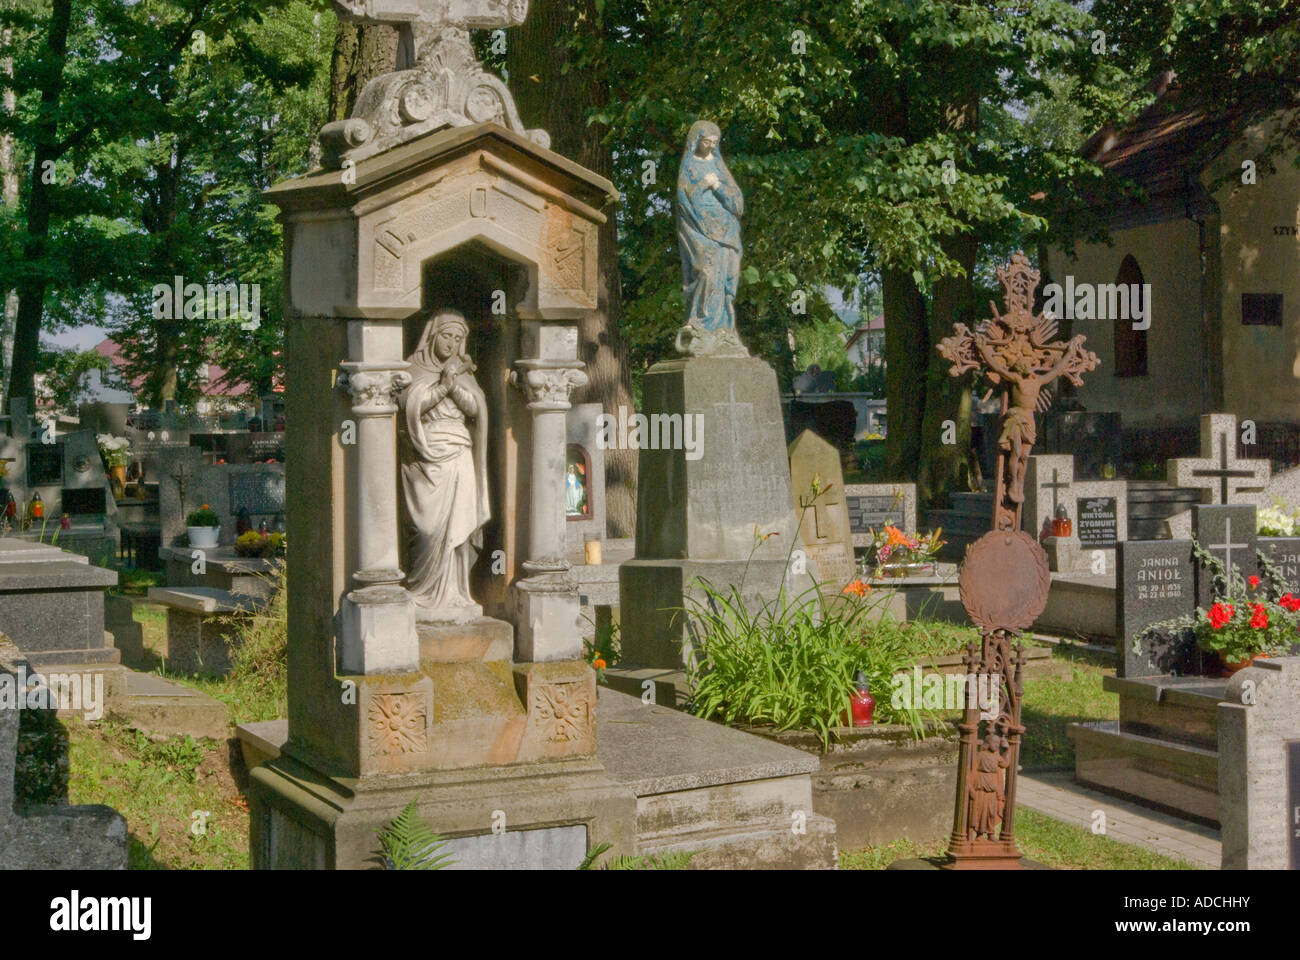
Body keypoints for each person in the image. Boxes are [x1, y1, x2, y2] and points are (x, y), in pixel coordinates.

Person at [399, 309, 491, 622]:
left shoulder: (463, 372)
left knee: (461, 529)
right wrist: (441, 386)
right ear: (433, 336)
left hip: (460, 453)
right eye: (446, 336)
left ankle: (458, 594)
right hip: (425, 455)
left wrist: (454, 384)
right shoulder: (413, 368)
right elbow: (410, 406)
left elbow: (476, 409)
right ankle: (423, 589)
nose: (451, 343)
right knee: (426, 530)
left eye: (457, 338)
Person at [676, 120, 744, 336]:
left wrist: (717, 186)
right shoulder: (688, 166)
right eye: (707, 142)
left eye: (715, 142)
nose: (712, 146)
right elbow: (682, 200)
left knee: (724, 275)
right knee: (706, 271)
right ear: (697, 141)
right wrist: (702, 184)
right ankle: (698, 323)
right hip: (697, 228)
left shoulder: (717, 164)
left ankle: (721, 327)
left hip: (726, 229)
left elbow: (737, 203)